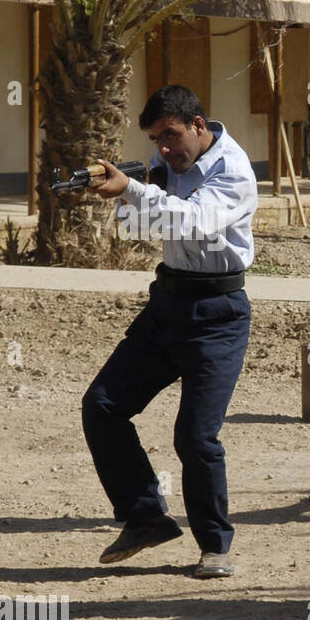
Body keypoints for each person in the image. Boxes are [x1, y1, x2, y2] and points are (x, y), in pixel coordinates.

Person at [81, 85, 256, 578]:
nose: (164, 148)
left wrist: (136, 190)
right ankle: (145, 518)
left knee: (196, 437)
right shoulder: (166, 165)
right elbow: (138, 228)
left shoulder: (233, 169)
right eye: (157, 139)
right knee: (103, 406)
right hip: (167, 305)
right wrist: (121, 191)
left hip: (218, 313)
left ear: (198, 125)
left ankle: (215, 545)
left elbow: (198, 222)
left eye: (172, 135)